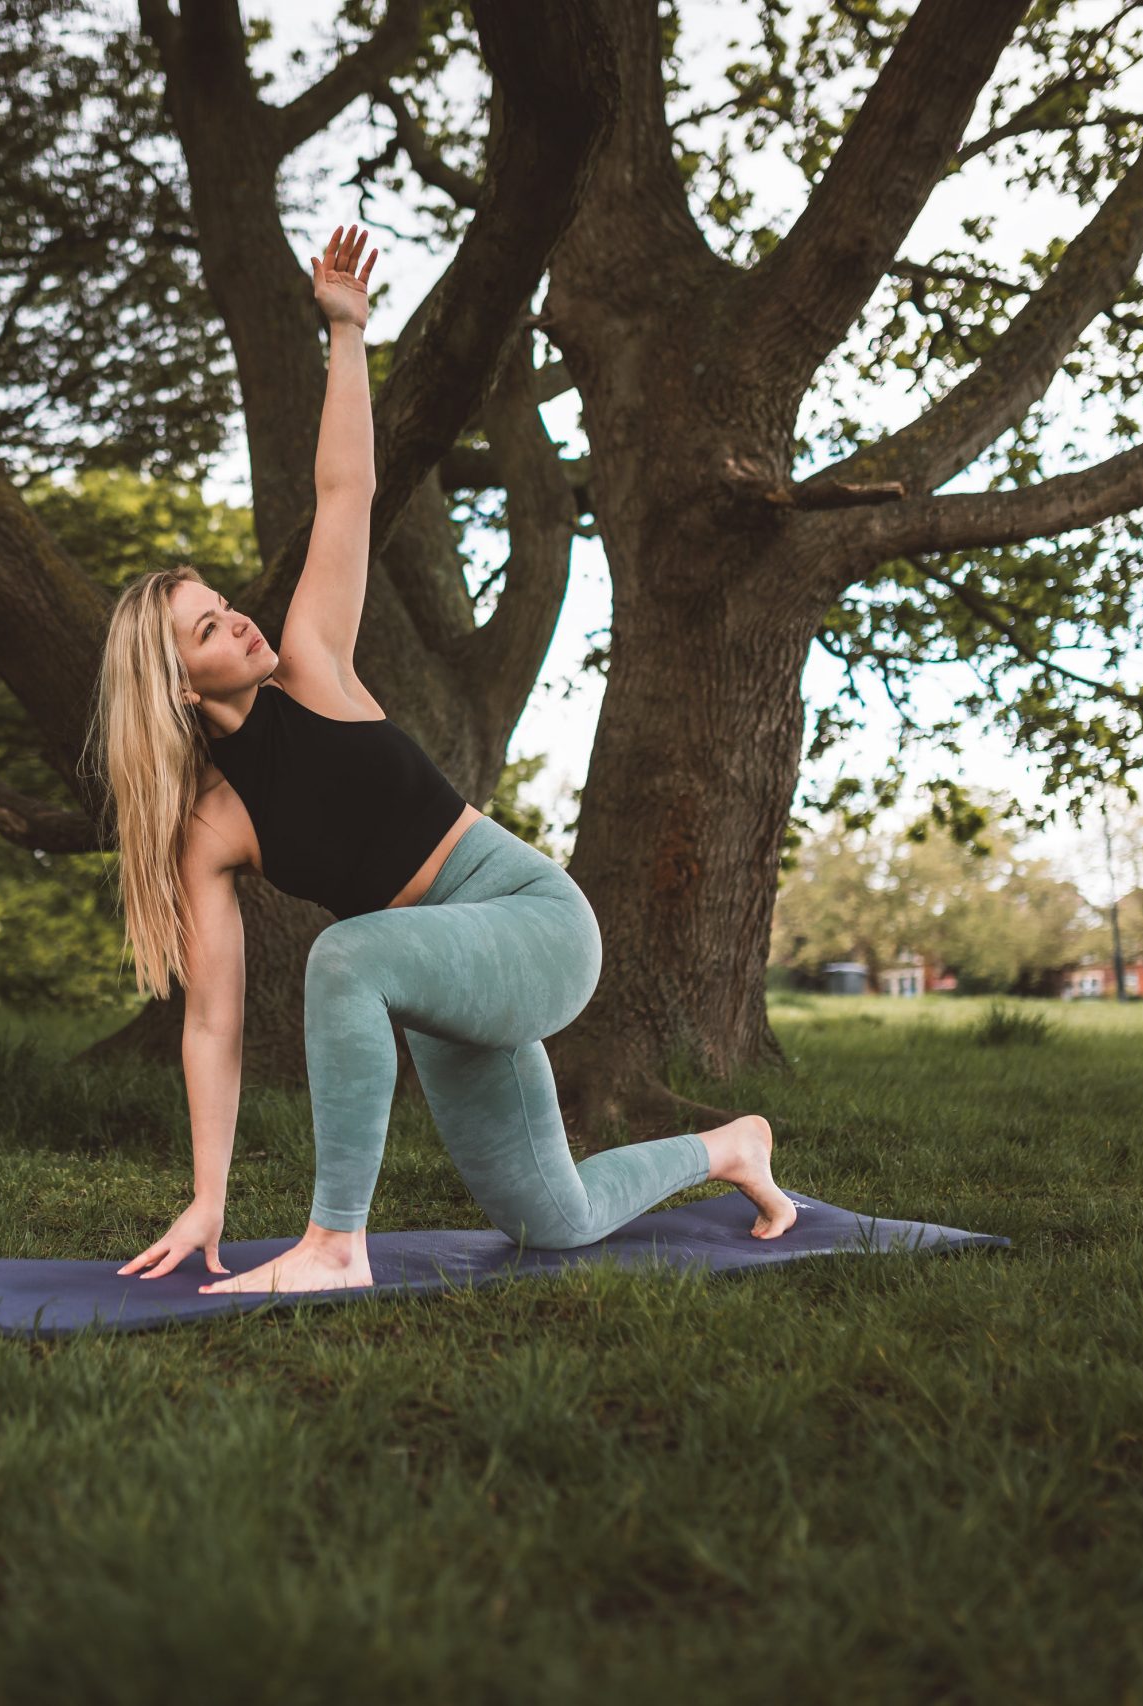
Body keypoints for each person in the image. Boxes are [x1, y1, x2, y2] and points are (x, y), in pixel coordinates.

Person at [81, 225, 796, 1295]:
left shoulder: (311, 665)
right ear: (179, 690)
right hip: (445, 969)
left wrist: (346, 334)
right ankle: (732, 1146)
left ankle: (334, 1244)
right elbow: (215, 1021)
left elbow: (345, 495)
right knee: (552, 1218)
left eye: (224, 606)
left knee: (347, 954)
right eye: (206, 630)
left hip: (530, 921)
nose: (236, 623)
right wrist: (208, 1196)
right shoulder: (211, 829)